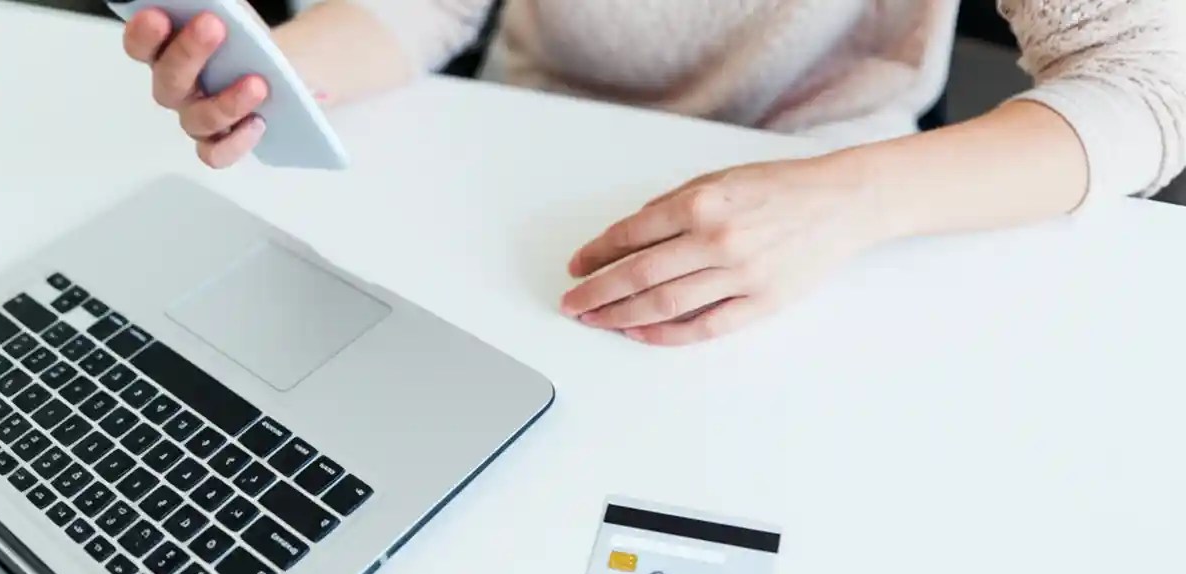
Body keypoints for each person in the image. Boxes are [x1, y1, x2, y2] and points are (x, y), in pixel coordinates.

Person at [121, 0, 1186, 346]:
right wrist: (277, 77)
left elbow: (1151, 87)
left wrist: (850, 197)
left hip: (826, 225)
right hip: (510, 173)